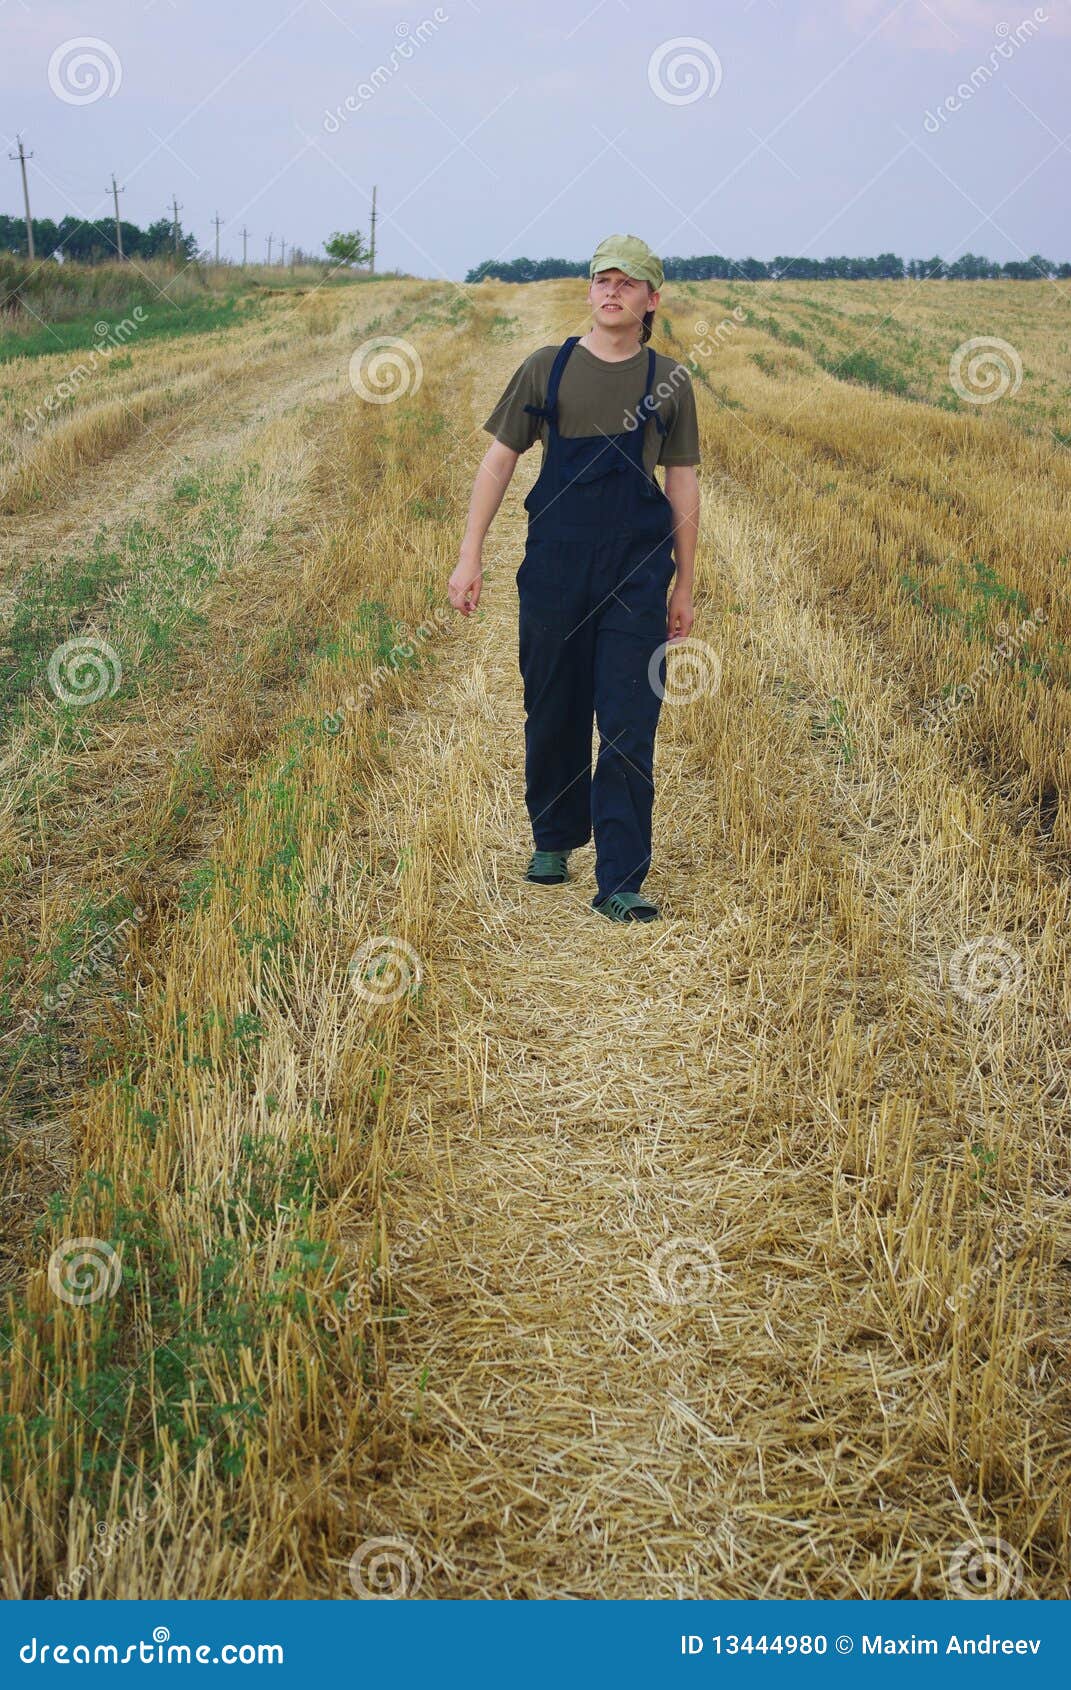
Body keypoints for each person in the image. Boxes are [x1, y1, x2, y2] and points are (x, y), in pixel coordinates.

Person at [449, 234, 701, 923]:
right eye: (601, 280)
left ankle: (620, 878)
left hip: (636, 571)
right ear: (589, 291)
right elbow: (497, 463)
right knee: (553, 705)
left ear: (652, 300)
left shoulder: (668, 382)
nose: (611, 291)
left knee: (628, 719)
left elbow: (681, 486)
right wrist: (469, 553)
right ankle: (553, 839)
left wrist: (684, 583)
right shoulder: (546, 369)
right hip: (556, 565)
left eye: (627, 282)